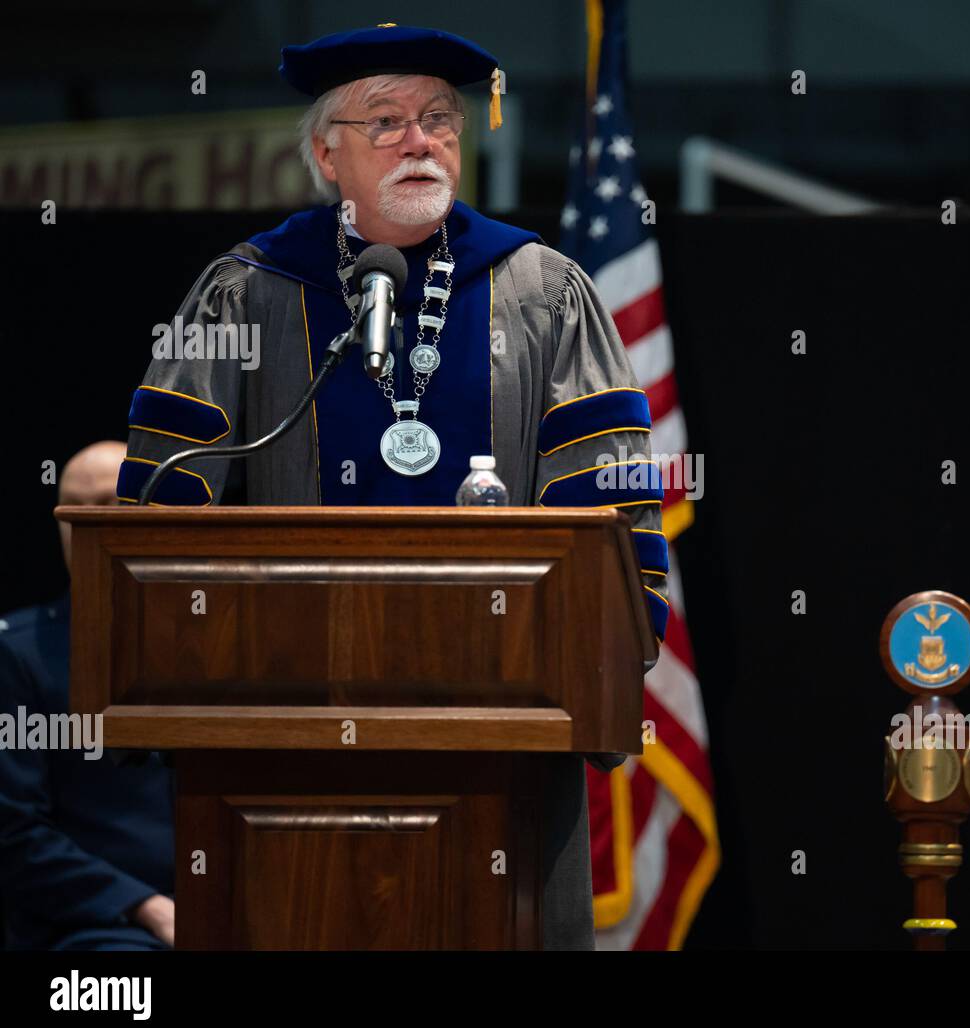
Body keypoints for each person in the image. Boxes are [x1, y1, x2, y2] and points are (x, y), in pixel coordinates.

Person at [115, 25, 669, 950]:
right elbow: (160, 508)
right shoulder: (244, 293)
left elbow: (607, 508)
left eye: (439, 119)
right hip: (285, 717)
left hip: (507, 719)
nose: (421, 140)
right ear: (328, 153)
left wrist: (597, 665)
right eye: (387, 121)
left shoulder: (543, 291)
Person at [0, 441, 175, 951]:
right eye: (71, 512)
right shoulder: (19, 654)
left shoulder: (206, 645)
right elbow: (14, 832)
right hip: (98, 925)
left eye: (110, 506)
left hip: (219, 906)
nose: (85, 527)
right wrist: (148, 908)